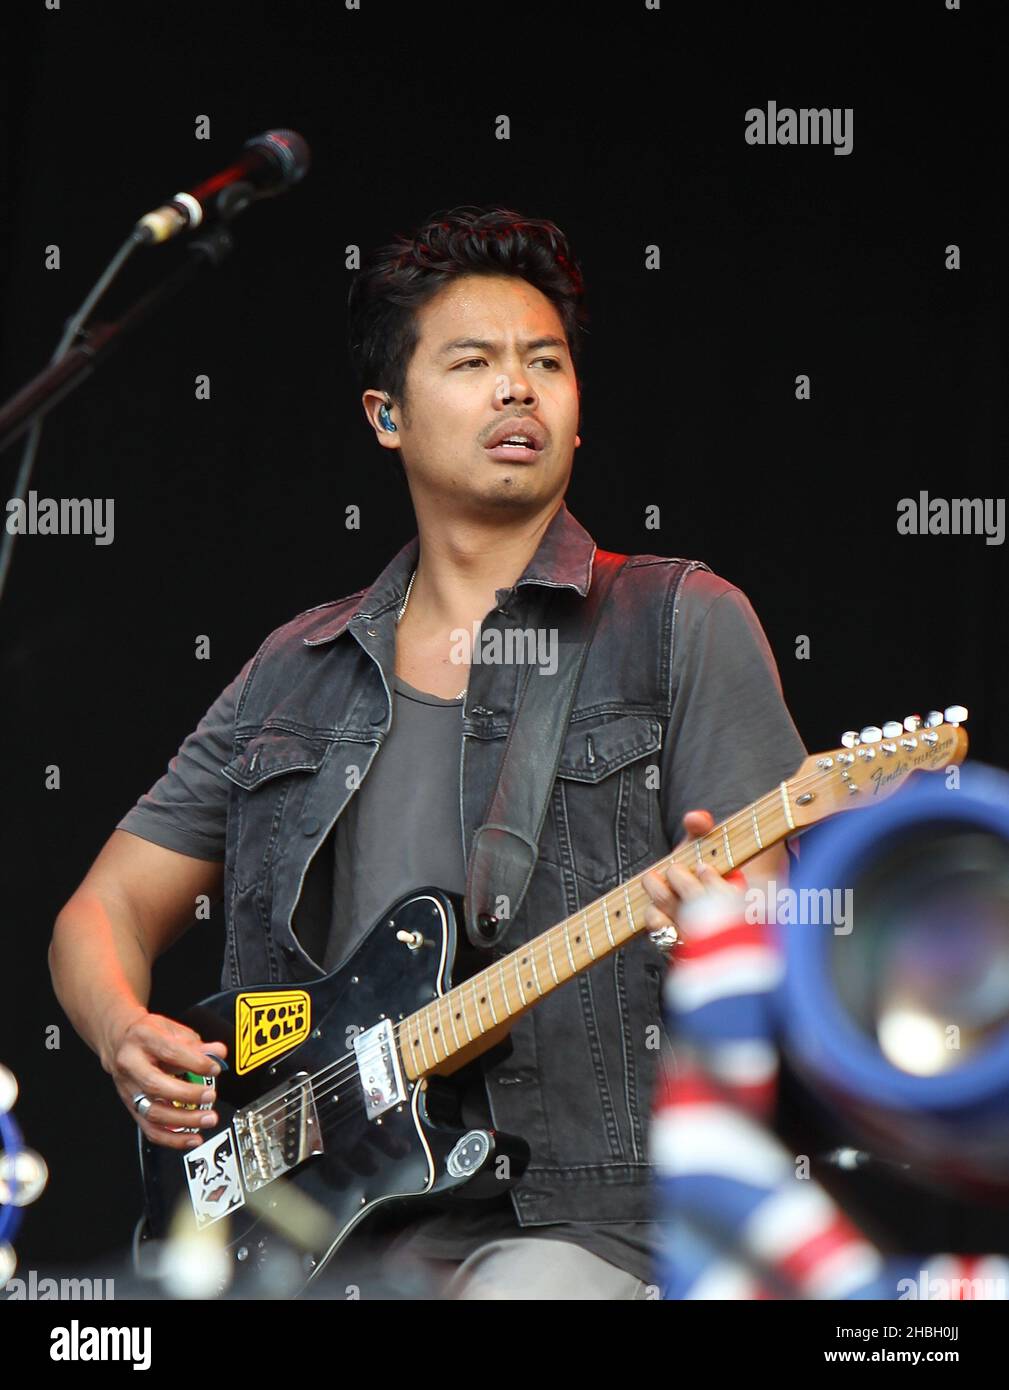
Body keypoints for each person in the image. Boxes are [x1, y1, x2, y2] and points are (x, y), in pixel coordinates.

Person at [49, 205, 806, 1300]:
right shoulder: (291, 668)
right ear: (386, 415)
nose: (518, 387)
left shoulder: (679, 620)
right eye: (474, 361)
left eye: (545, 362)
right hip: (306, 1225)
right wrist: (125, 1031)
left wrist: (729, 935)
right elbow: (98, 911)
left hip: (586, 1227)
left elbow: (785, 929)